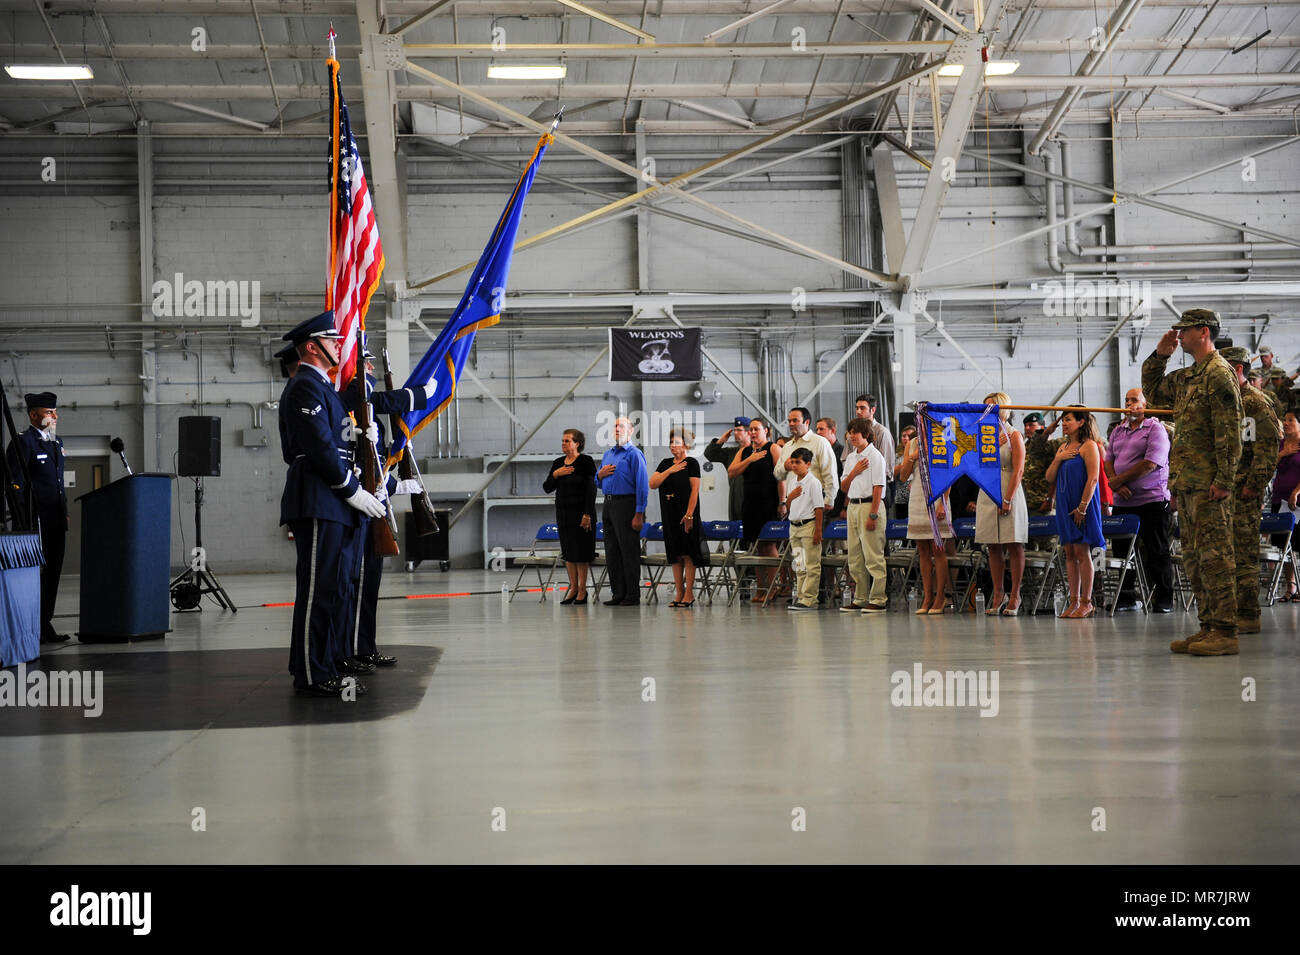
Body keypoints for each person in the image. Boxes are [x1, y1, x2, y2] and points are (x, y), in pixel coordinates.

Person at [278, 311, 387, 698]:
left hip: (335, 498)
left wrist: (362, 436)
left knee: (336, 587)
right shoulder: (305, 386)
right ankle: (311, 671)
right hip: (321, 495)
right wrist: (352, 489)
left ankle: (322, 662)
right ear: (312, 346)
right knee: (318, 589)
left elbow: (337, 441)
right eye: (333, 340)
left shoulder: (322, 388)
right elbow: (320, 448)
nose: (341, 346)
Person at [1142, 308, 1243, 656]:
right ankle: (1208, 627)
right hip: (1188, 483)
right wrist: (1160, 355)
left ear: (1203, 332)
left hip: (1210, 484)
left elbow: (1230, 432)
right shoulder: (1189, 377)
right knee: (1195, 559)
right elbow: (1153, 392)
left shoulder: (1218, 374)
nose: (1179, 335)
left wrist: (1225, 479)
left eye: (1184, 331)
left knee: (1216, 557)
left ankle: (1226, 630)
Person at [339, 351, 434, 672]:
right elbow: (381, 401)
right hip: (355, 506)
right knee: (358, 583)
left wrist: (392, 486)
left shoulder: (364, 410)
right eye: (365, 362)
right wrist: (418, 396)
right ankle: (352, 649)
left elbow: (374, 462)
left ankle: (364, 646)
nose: (370, 368)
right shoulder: (350, 398)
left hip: (372, 502)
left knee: (370, 583)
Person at [1219, 347, 1280, 636]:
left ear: (1238, 369)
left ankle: (1248, 613)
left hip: (1243, 492)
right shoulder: (1223, 400)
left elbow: (1267, 450)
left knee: (1243, 554)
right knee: (1224, 555)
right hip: (1221, 492)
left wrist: (1251, 487)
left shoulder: (1254, 402)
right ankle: (1228, 613)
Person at [1104, 387, 1175, 612]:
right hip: (1123, 502)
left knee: (1157, 549)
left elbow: (1150, 463)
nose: (1129, 404)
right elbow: (1109, 459)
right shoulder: (1118, 430)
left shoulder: (1156, 429)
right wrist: (1116, 482)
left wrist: (1119, 480)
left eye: (1134, 400)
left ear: (1145, 403)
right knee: (1122, 552)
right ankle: (1126, 597)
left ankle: (1164, 598)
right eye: (1126, 400)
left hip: (1151, 499)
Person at [6, 392, 69, 643]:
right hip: (36, 521)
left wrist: (63, 513)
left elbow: (58, 484)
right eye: (48, 412)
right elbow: (15, 483)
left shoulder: (55, 442)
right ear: (33, 415)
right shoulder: (24, 442)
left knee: (53, 571)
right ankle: (33, 624)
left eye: (55, 412)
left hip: (55, 519)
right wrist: (23, 519)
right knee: (37, 574)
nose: (54, 416)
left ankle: (45, 623)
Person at [1045, 407, 1105, 618]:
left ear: (1080, 422)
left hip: (1082, 504)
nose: (1064, 424)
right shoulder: (1063, 447)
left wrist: (1082, 506)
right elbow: (1049, 477)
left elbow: (1093, 478)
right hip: (1064, 503)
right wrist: (1058, 458)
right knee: (1069, 552)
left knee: (1082, 551)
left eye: (1068, 420)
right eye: (1062, 420)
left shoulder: (1089, 446)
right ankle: (1073, 600)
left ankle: (1087, 601)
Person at [975, 392, 1029, 616]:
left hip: (1009, 487)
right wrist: (986, 449)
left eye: (993, 407)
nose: (988, 411)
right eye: (985, 407)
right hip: (987, 489)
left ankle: (1015, 594)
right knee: (992, 545)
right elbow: (974, 466)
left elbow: (1019, 469)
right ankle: (998, 593)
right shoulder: (983, 435)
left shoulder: (1014, 434)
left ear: (1004, 409)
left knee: (1013, 543)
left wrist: (1007, 498)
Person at [649, 429, 710, 607]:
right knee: (675, 553)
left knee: (688, 553)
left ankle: (689, 593)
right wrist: (669, 470)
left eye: (676, 442)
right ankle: (679, 592)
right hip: (669, 512)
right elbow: (653, 483)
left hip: (686, 512)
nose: (672, 446)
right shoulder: (665, 463)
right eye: (671, 443)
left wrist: (690, 513)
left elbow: (695, 490)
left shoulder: (691, 463)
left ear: (686, 444)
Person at [898, 430, 954, 613]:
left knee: (938, 548)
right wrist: (912, 457)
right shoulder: (911, 443)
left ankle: (941, 596)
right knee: (922, 550)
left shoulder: (942, 439)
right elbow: (903, 476)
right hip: (917, 497)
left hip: (938, 496)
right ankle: (927, 596)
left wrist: (943, 503)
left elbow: (949, 474)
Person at [596, 416, 650, 606]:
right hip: (609, 504)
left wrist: (639, 513)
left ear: (630, 430)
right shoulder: (608, 454)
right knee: (612, 551)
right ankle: (617, 592)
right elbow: (598, 480)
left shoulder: (634, 454)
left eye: (621, 426)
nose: (617, 429)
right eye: (615, 426)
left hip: (627, 504)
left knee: (628, 551)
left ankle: (632, 594)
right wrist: (599, 475)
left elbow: (642, 485)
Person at [730, 417, 783, 601]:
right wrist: (750, 459)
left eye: (756, 429)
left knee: (769, 545)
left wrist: (782, 502)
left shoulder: (773, 449)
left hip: (768, 501)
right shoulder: (745, 451)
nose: (752, 433)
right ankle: (761, 588)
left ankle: (774, 586)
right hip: (750, 503)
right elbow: (732, 471)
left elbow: (781, 478)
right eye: (750, 429)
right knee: (757, 547)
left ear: (766, 431)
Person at [544, 428, 598, 606]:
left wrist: (587, 513)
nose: (563, 443)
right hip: (564, 514)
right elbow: (547, 487)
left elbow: (591, 489)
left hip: (582, 513)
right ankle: (573, 587)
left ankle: (583, 589)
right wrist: (555, 474)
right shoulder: (558, 463)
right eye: (562, 441)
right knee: (568, 553)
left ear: (577, 443)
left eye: (567, 441)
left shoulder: (586, 462)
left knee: (581, 552)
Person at [840, 418, 888, 613]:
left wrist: (873, 515)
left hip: (870, 505)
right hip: (853, 505)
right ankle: (860, 597)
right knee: (854, 555)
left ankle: (878, 598)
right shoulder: (852, 458)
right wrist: (854, 472)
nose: (851, 436)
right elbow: (844, 486)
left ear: (866, 434)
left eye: (855, 432)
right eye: (850, 432)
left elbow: (878, 487)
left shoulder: (875, 456)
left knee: (873, 554)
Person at [773, 407, 839, 520]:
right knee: (794, 537)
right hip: (793, 505)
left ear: (807, 422)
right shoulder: (787, 446)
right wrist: (785, 467)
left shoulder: (820, 442)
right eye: (789, 421)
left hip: (814, 503)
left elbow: (830, 474)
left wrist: (829, 500)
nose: (791, 424)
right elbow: (777, 475)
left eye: (795, 420)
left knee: (813, 537)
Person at [783, 448, 824, 612]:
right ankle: (800, 596)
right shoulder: (792, 481)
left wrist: (818, 531)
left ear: (808, 464)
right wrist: (790, 497)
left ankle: (810, 599)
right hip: (794, 527)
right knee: (799, 565)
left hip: (808, 525)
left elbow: (819, 508)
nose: (794, 465)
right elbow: (787, 506)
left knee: (812, 565)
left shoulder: (813, 482)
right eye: (792, 462)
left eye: (798, 462)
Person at [1272, 411, 1300, 601]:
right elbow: (1269, 466)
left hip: (1297, 502)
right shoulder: (1281, 444)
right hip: (1279, 500)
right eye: (1285, 419)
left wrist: (1296, 491)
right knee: (1285, 547)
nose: (1286, 423)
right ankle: (1290, 588)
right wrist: (1283, 454)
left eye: (1291, 420)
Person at [702, 417, 750, 523]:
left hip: (750, 496)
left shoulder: (755, 452)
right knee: (734, 529)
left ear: (748, 432)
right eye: (735, 430)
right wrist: (721, 441)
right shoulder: (731, 452)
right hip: (734, 496)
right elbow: (709, 455)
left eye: (739, 430)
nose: (735, 433)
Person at [851, 394, 896, 505]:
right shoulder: (851, 434)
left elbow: (886, 468)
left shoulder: (882, 432)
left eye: (862, 408)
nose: (858, 411)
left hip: (878, 488)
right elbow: (847, 460)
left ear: (873, 410)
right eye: (857, 408)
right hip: (857, 487)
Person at [815, 417, 846, 521]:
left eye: (821, 429)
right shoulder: (817, 452)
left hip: (837, 507)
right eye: (817, 430)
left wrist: (845, 508)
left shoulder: (842, 452)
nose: (818, 432)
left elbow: (845, 481)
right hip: (819, 506)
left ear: (832, 430)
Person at [893, 424, 916, 520]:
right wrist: (905, 465)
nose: (906, 438)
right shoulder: (896, 456)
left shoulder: (920, 453)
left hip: (915, 498)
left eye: (909, 436)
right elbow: (891, 474)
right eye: (903, 436)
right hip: (900, 499)